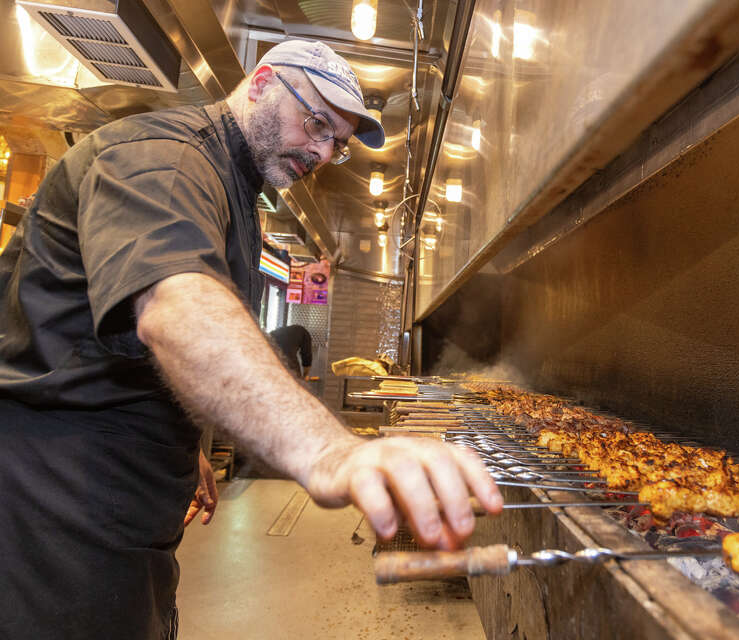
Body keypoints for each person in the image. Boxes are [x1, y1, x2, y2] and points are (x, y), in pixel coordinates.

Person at [0, 39, 501, 639]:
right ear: (261, 84)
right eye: (317, 123)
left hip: (124, 499)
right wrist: (331, 450)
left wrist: (186, 444)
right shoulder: (166, 158)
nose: (322, 151)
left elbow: (124, 347)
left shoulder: (234, 190)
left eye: (337, 143)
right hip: (48, 508)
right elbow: (177, 310)